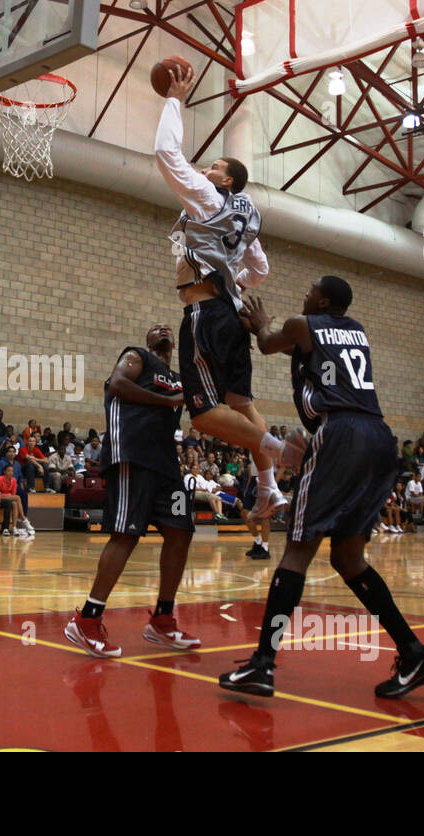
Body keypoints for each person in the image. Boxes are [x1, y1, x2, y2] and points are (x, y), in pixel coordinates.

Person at [221, 276, 424, 699]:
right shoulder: (355, 330)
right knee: (347, 557)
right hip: (379, 437)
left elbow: (269, 342)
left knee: (298, 550)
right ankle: (415, 653)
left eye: (309, 289)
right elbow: (294, 347)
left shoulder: (302, 323)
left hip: (339, 432)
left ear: (322, 300)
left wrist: (262, 323)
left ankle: (262, 664)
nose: (303, 294)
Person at [155, 64, 297, 521]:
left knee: (201, 415)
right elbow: (261, 267)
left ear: (227, 180)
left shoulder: (208, 197)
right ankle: (270, 489)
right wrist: (234, 281)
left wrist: (174, 99)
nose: (207, 168)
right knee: (242, 404)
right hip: (233, 316)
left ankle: (278, 448)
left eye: (215, 166)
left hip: (205, 312)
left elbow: (165, 153)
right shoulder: (247, 216)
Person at [65, 324, 199, 657]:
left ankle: (163, 619)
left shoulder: (181, 377)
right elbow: (118, 386)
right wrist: (166, 401)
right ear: (148, 340)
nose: (163, 329)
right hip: (131, 455)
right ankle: (86, 618)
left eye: (167, 327)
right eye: (156, 329)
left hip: (166, 464)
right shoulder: (135, 357)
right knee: (125, 534)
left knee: (182, 530)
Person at [0, 464, 30, 538]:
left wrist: (10, 496)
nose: (11, 472)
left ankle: (14, 527)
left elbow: (13, 493)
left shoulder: (14, 480)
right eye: (9, 470)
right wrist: (8, 495)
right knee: (18, 497)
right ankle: (23, 518)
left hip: (9, 497)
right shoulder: (0, 478)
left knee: (15, 503)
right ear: (4, 471)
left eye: (12, 471)